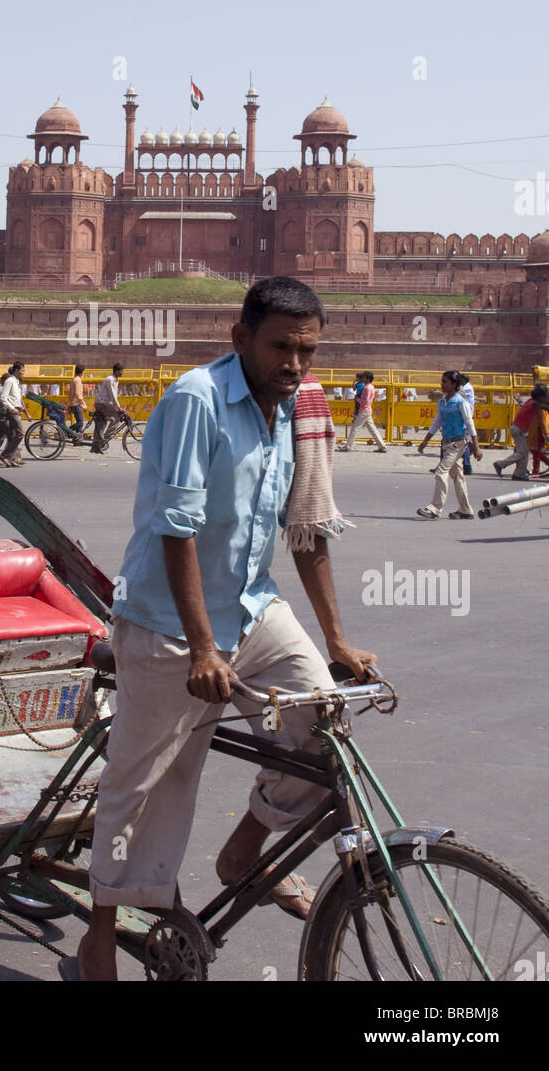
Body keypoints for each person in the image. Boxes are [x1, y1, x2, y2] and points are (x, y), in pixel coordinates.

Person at [71, 277, 377, 982]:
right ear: (240, 338)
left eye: (306, 350)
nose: (294, 364)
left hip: (251, 606)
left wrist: (334, 640)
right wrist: (201, 648)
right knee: (144, 785)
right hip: (167, 623)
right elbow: (175, 530)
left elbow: (303, 533)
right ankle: (100, 934)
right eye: (280, 347)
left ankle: (243, 852)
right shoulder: (195, 401)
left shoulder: (294, 409)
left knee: (320, 718)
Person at [415, 371, 482, 519]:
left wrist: (476, 447)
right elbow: (436, 423)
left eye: (445, 381)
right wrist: (424, 442)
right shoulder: (442, 402)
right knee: (457, 476)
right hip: (446, 443)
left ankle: (435, 508)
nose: (442, 384)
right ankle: (465, 510)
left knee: (440, 472)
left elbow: (469, 424)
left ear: (454, 384)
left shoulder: (461, 402)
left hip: (457, 444)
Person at [494, 383, 549, 481]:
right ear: (539, 397)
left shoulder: (530, 401)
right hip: (518, 430)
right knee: (522, 452)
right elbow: (545, 406)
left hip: (519, 429)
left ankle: (519, 473)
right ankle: (500, 464)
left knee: (525, 452)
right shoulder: (534, 403)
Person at [341, 370, 386, 452]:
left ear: (368, 378)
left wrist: (357, 398)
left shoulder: (366, 388)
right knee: (372, 429)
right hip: (368, 410)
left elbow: (364, 401)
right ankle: (382, 445)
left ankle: (348, 446)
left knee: (355, 428)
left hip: (364, 410)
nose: (362, 378)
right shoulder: (371, 386)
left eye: (364, 377)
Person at [0, 361, 26, 467]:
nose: (23, 373)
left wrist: (19, 407)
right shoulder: (10, 381)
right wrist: (12, 408)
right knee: (20, 433)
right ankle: (5, 455)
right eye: (22, 370)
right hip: (11, 412)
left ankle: (10, 459)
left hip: (15, 410)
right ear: (16, 370)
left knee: (13, 436)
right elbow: (3, 397)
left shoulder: (16, 382)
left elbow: (13, 398)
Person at [90, 363, 128, 453]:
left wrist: (117, 406)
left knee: (101, 424)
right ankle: (106, 438)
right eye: (122, 371)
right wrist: (118, 408)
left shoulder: (115, 380)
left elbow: (113, 396)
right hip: (102, 403)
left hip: (103, 403)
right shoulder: (110, 379)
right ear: (117, 371)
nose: (123, 373)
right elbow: (113, 395)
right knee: (116, 417)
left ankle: (96, 446)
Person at [458, 376, 476, 474]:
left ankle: (467, 466)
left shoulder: (466, 388)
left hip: (463, 417)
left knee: (463, 443)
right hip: (462, 417)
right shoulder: (465, 388)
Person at [67, 364, 87, 440]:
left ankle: (77, 438)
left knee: (79, 422)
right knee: (80, 422)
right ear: (81, 372)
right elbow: (78, 393)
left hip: (72, 403)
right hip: (75, 404)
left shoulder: (73, 379)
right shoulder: (78, 380)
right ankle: (66, 431)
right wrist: (83, 404)